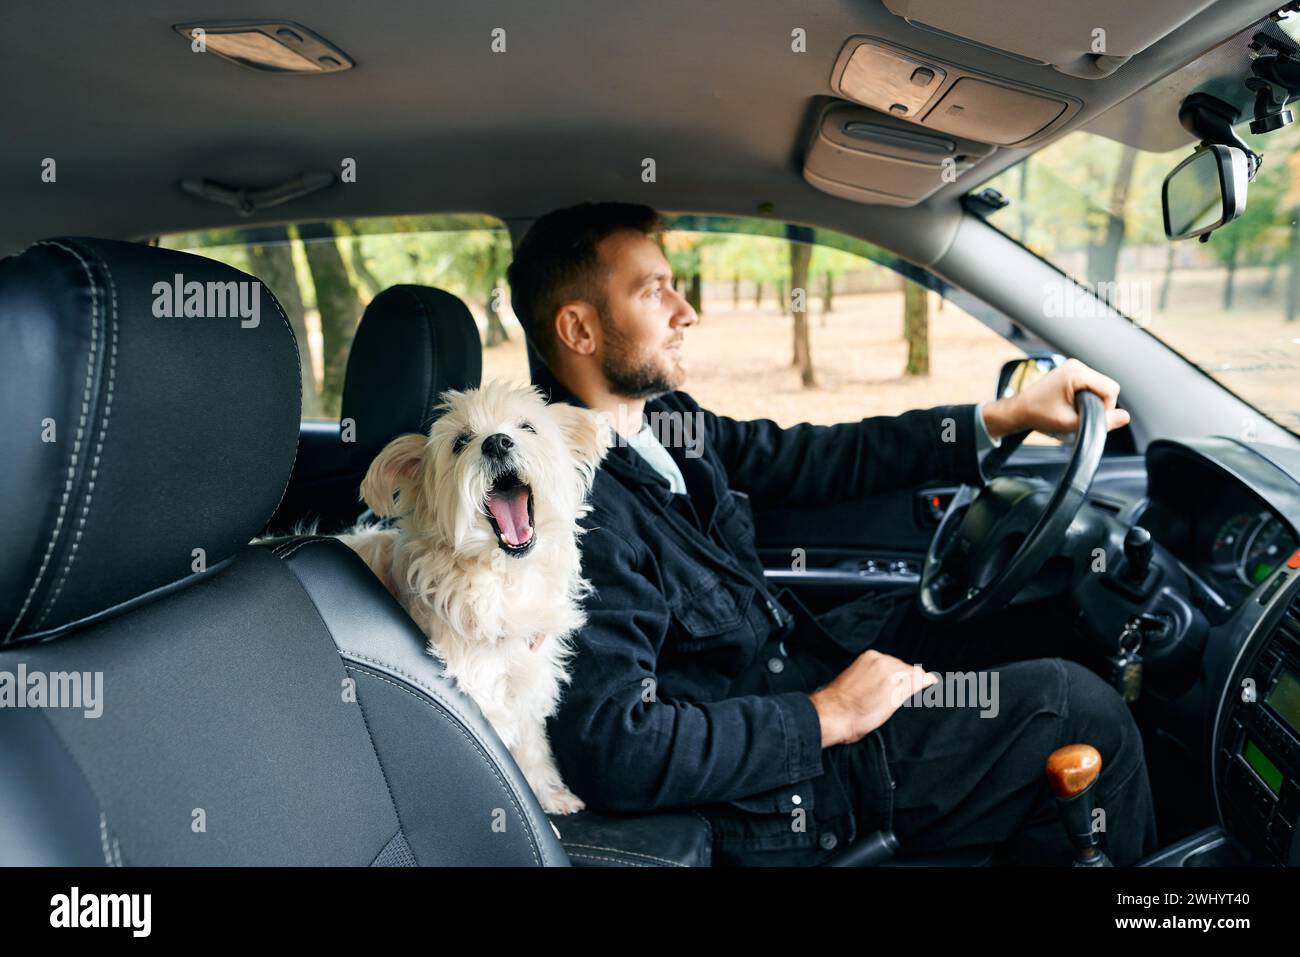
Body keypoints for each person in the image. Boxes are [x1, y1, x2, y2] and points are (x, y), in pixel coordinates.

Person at [506, 201, 1160, 866]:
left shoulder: (664, 422)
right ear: (579, 328)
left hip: (791, 670)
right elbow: (618, 748)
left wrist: (1004, 416)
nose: (686, 310)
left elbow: (811, 457)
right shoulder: (571, 506)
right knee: (1079, 711)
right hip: (775, 788)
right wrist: (828, 714)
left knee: (1026, 619)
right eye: (654, 290)